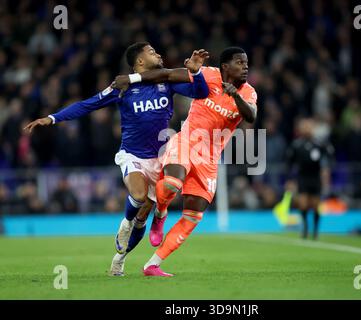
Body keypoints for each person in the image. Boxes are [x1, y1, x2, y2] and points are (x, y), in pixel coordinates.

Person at [23, 42, 210, 276]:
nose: (158, 53)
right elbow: (87, 105)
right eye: (151, 51)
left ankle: (119, 259)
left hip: (160, 160)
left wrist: (197, 72)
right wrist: (52, 118)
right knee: (139, 196)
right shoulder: (122, 87)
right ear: (139, 62)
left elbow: (201, 92)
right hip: (132, 155)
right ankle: (124, 224)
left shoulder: (166, 82)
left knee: (142, 220)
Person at [112, 47, 257, 276]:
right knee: (171, 183)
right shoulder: (208, 74)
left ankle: (152, 265)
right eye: (240, 62)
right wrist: (132, 78)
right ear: (225, 67)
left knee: (193, 216)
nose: (245, 67)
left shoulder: (248, 92)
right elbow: (167, 74)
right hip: (187, 141)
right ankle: (160, 213)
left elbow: (251, 117)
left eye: (246, 63)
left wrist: (235, 95)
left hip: (209, 158)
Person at [285, 117, 334, 240]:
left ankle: (316, 231)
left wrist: (326, 172)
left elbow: (328, 158)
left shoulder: (320, 144)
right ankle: (306, 227)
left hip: (316, 177)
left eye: (309, 126)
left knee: (316, 205)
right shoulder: (297, 145)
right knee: (303, 204)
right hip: (303, 177)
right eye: (304, 126)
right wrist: (290, 179)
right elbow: (290, 163)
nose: (307, 129)